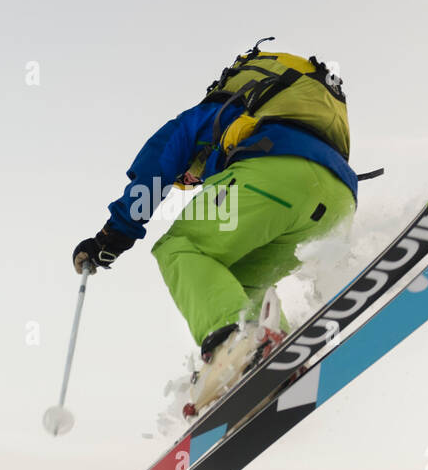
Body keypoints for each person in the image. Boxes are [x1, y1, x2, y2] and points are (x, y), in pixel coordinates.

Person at [72, 39, 358, 416]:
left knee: (181, 246)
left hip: (273, 172)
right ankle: (277, 359)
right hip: (337, 200)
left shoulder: (205, 117)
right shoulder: (265, 114)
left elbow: (156, 165)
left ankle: (235, 346)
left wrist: (115, 234)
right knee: (238, 282)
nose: (189, 182)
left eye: (187, 179)